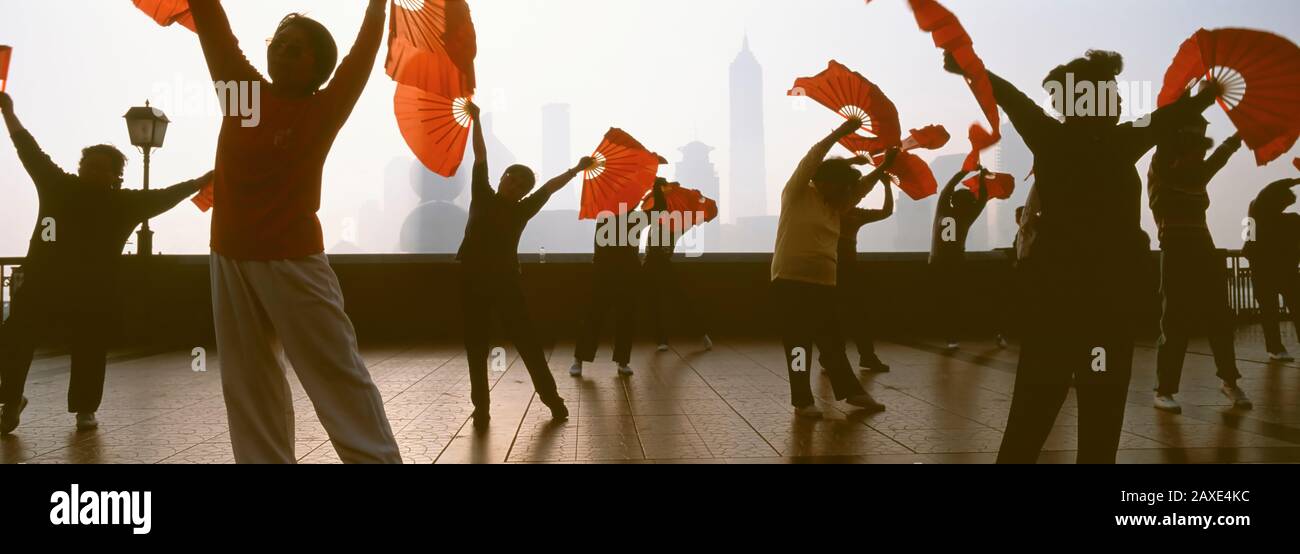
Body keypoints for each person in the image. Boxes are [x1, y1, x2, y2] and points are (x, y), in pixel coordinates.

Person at [941, 50, 1222, 463]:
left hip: (1053, 304)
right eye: (1112, 92)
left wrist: (969, 67)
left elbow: (1010, 96)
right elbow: (1165, 119)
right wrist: (1203, 98)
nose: (1120, 100)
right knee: (1100, 427)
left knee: (1028, 422)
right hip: (1107, 309)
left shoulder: (1052, 137)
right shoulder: (1121, 142)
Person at [189, 0, 401, 463]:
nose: (282, 51)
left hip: (294, 261)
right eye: (279, 43)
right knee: (248, 382)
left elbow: (361, 57)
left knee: (335, 372)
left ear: (317, 68)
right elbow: (213, 26)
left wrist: (377, 7)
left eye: (295, 49)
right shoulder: (242, 93)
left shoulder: (323, 109)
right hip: (229, 256)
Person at [0, 91, 209, 434]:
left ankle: (84, 410)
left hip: (90, 289)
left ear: (115, 176)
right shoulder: (58, 185)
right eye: (87, 165)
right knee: (16, 341)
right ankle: (11, 401)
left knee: (89, 346)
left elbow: (167, 196)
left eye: (99, 168)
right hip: (43, 283)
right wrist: (8, 112)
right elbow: (28, 148)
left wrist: (201, 182)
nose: (90, 171)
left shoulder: (124, 204)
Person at [457, 100, 593, 428]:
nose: (515, 186)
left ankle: (553, 400)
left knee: (528, 344)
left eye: (522, 186)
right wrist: (476, 120)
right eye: (512, 179)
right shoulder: (482, 192)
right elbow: (480, 155)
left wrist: (576, 170)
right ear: (503, 178)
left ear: (523, 193)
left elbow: (549, 188)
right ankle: (481, 408)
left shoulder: (522, 209)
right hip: (473, 281)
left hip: (505, 284)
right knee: (476, 347)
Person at [771, 116, 897, 418]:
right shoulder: (798, 193)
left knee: (831, 343)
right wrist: (841, 131)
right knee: (798, 344)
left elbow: (862, 188)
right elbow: (813, 157)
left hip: (824, 283)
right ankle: (802, 401)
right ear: (826, 182)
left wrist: (884, 166)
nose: (847, 193)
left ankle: (852, 392)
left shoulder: (836, 205)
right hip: (790, 281)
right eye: (843, 187)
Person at [1148, 119, 1251, 413]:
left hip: (1203, 245)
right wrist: (1189, 113)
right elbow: (1168, 146)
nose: (1202, 155)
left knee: (1220, 317)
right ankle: (1164, 389)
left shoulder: (1198, 173)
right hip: (1175, 247)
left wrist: (1238, 136)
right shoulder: (1162, 170)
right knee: (1174, 320)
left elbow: (1218, 158)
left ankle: (1229, 381)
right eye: (1196, 148)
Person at [571, 186, 651, 377]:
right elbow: (659, 210)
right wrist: (655, 187)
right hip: (610, 273)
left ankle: (583, 360)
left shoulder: (611, 216)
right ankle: (617, 361)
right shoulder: (616, 216)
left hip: (617, 274)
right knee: (602, 317)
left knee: (610, 317)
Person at [643, 178, 714, 353]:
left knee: (662, 302)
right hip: (658, 265)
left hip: (655, 265)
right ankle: (699, 335)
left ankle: (665, 339)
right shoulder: (676, 224)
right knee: (674, 301)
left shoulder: (668, 224)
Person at [836, 176, 894, 372]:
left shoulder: (832, 210)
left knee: (841, 314)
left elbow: (886, 212)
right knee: (855, 314)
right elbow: (886, 212)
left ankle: (835, 357)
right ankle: (866, 356)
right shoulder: (852, 213)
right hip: (845, 268)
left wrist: (886, 185)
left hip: (838, 267)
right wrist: (886, 185)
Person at [930, 168, 990, 350]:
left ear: (953, 200)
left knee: (945, 301)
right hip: (955, 262)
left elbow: (947, 189)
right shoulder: (968, 215)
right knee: (955, 300)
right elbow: (983, 199)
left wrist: (964, 172)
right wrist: (982, 178)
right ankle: (954, 334)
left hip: (938, 262)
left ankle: (950, 334)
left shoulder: (943, 209)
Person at [1243, 177, 1300, 361]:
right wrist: (1294, 181)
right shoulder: (1260, 213)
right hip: (1275, 271)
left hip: (1269, 271)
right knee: (1283, 309)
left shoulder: (1255, 217)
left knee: (1272, 312)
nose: (1284, 207)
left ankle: (1275, 349)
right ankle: (1275, 348)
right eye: (1284, 203)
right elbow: (1267, 192)